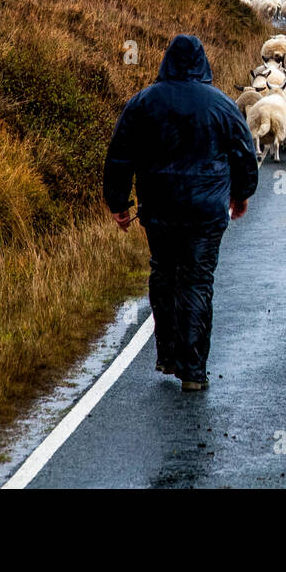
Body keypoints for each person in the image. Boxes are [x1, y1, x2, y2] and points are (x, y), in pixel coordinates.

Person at [103, 34, 258, 391]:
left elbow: (120, 154)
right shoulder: (221, 104)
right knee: (197, 281)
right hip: (205, 211)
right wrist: (242, 194)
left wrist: (118, 203)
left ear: (166, 60)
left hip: (159, 209)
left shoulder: (142, 103)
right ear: (203, 62)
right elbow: (243, 152)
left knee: (164, 273)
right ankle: (193, 370)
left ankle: (168, 354)